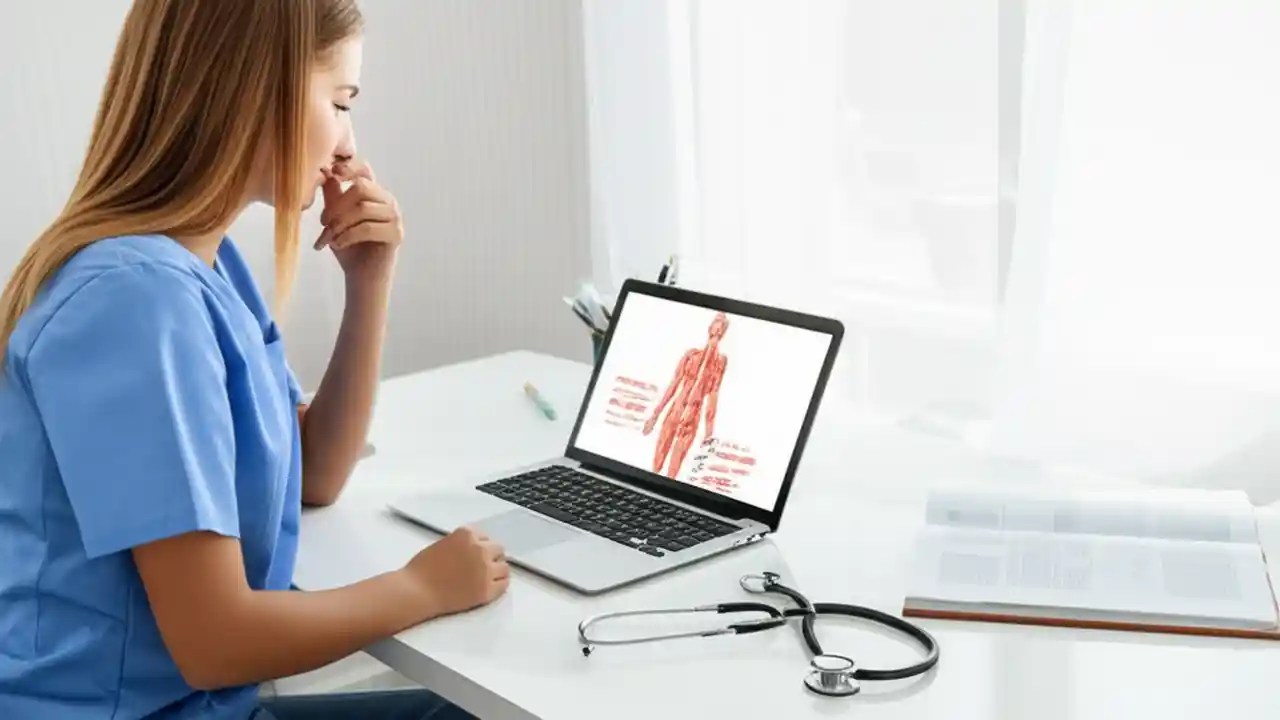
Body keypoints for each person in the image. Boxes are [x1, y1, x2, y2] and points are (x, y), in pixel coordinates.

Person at [0, 1, 509, 718]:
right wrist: (421, 589)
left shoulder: (206, 269)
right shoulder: (137, 301)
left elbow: (315, 472)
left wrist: (370, 281)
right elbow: (214, 641)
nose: (347, 143)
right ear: (250, 89)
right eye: (338, 102)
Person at [641, 313, 730, 479]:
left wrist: (709, 435)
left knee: (673, 472)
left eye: (720, 331)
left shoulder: (720, 362)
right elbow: (673, 385)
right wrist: (655, 415)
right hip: (676, 409)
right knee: (657, 463)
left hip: (692, 416)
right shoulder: (691, 355)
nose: (716, 333)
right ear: (709, 329)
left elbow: (713, 397)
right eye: (715, 329)